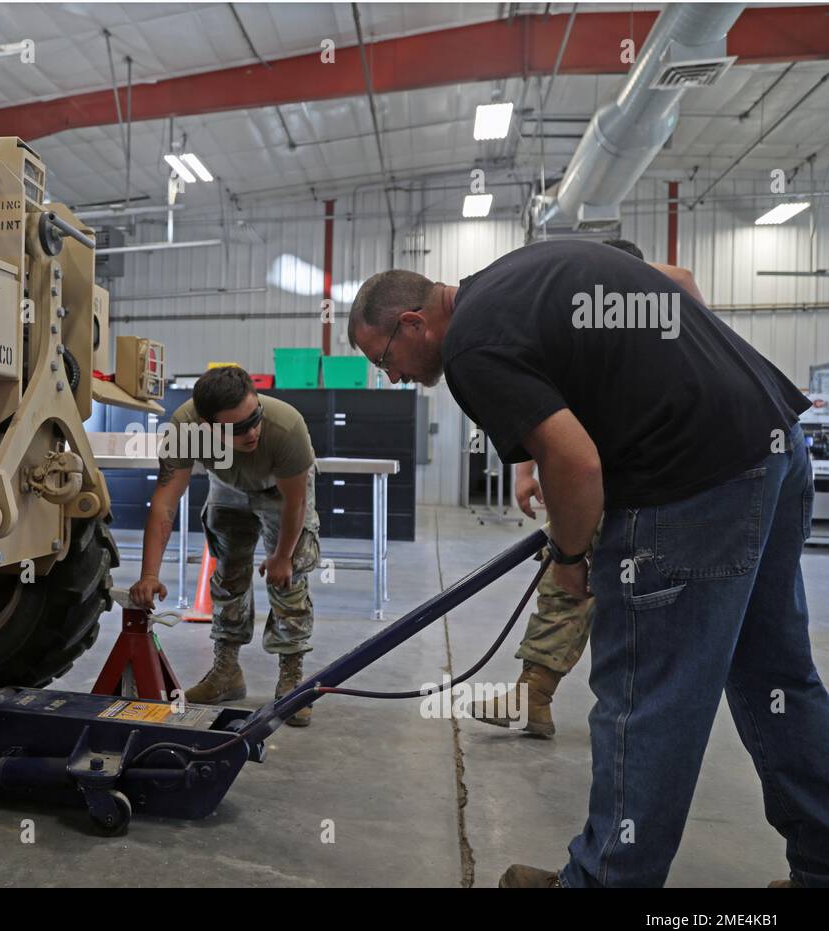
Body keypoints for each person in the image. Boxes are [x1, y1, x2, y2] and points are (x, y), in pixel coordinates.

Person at [348, 239, 828, 887]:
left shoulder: (470, 348)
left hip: (696, 477)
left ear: (412, 324)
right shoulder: (518, 272)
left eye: (384, 358)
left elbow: (575, 464)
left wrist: (570, 558)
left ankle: (603, 882)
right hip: (773, 438)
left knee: (647, 693)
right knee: (777, 674)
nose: (393, 376)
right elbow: (678, 283)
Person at [474, 239, 706, 738]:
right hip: (599, 469)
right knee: (569, 578)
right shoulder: (582, 322)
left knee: (594, 585)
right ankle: (534, 694)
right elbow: (553, 407)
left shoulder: (643, 308)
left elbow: (682, 278)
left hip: (649, 472)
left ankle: (558, 698)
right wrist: (525, 471)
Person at [128, 366, 321, 727]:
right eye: (236, 428)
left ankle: (292, 679)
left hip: (280, 492)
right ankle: (226, 674)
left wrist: (281, 557)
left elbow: (295, 501)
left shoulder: (286, 427)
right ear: (206, 426)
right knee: (228, 577)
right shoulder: (186, 429)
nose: (251, 433)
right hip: (228, 486)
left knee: (288, 580)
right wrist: (149, 574)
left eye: (254, 418)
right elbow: (165, 501)